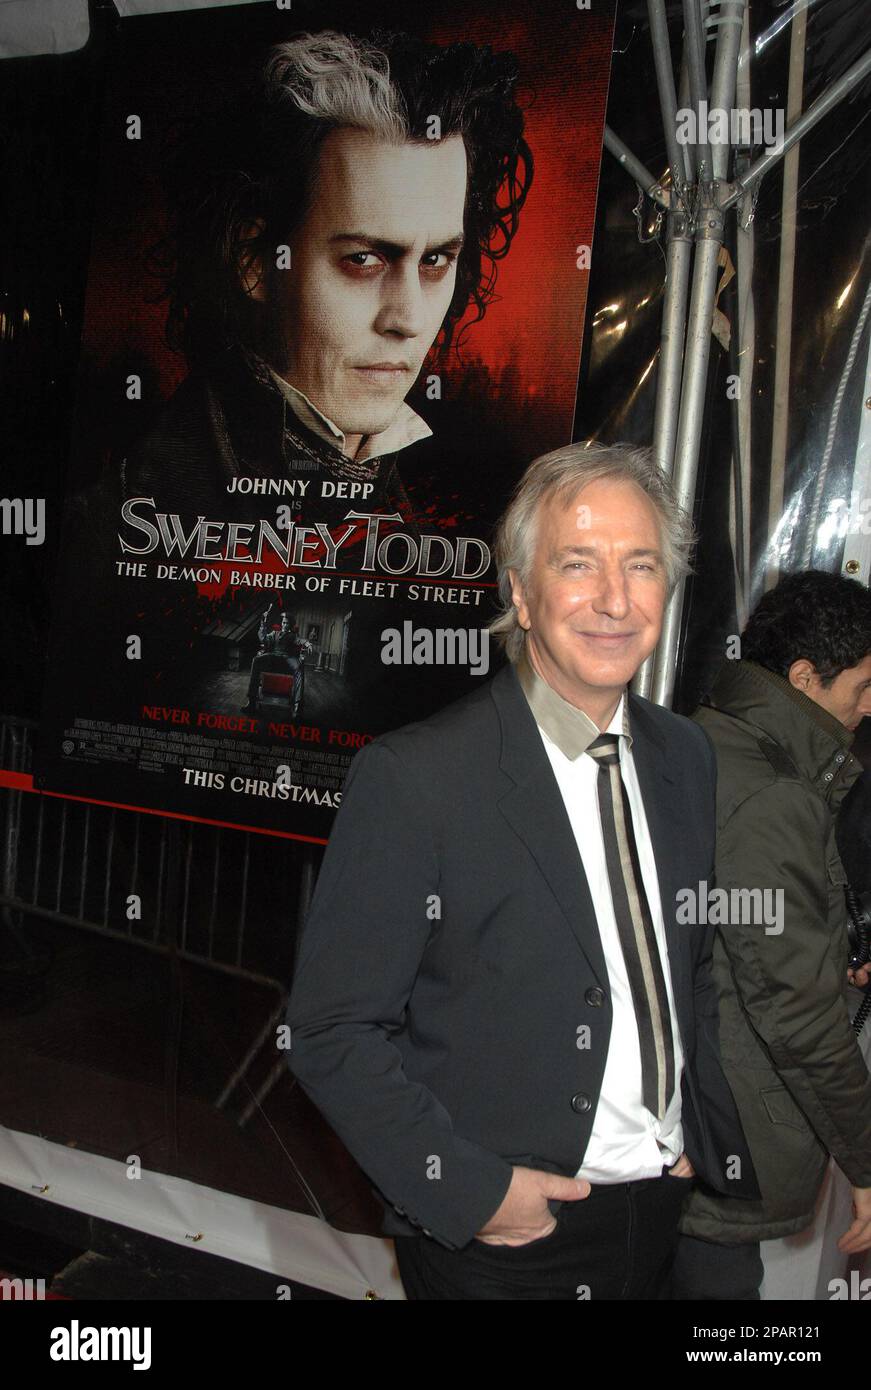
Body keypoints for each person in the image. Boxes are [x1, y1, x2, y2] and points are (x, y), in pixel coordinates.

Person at [286, 442, 759, 1301]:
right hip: (504, 1238)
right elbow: (330, 1031)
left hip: (657, 1210)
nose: (615, 600)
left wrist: (690, 1128)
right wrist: (471, 1193)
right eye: (577, 565)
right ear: (519, 593)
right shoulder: (418, 776)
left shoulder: (683, 753)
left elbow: (684, 965)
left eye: (641, 566)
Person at [122, 27, 533, 521]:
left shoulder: (464, 495)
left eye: (434, 260)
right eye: (363, 260)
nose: (408, 318)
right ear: (255, 261)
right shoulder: (139, 504)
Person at [673, 570, 871, 1300]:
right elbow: (792, 1010)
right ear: (803, 676)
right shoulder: (771, 796)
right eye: (861, 684)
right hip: (722, 1135)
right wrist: (866, 1161)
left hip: (673, 1128)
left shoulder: (694, 739)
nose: (868, 705)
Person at [242, 609, 310, 716]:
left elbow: (300, 640)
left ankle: (298, 706)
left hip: (287, 659)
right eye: (283, 622)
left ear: (290, 624)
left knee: (299, 667)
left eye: (287, 623)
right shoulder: (274, 633)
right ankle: (251, 701)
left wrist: (307, 643)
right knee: (256, 660)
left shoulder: (293, 636)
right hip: (273, 657)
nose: (285, 625)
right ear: (281, 623)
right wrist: (263, 622)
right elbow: (263, 639)